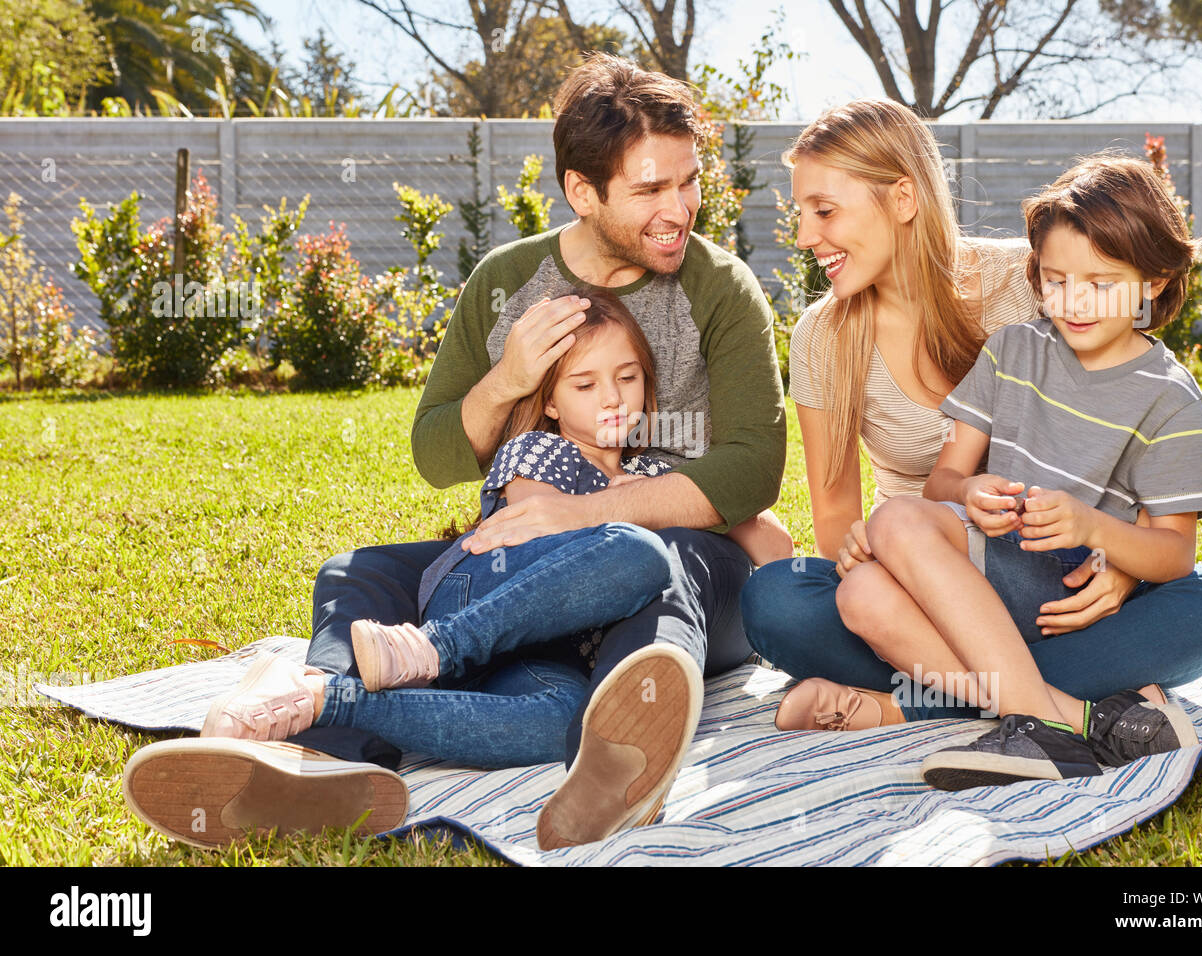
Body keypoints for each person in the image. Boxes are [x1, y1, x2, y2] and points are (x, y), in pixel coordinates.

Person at [122, 54, 786, 850]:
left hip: (673, 551)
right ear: (583, 191)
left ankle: (625, 751)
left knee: (654, 560)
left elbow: (752, 468)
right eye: (650, 190)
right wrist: (506, 380)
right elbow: (436, 451)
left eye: (688, 182)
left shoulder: (721, 287)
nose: (679, 209)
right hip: (530, 563)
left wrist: (581, 514)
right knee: (359, 573)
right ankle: (318, 752)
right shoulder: (509, 281)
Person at [741, 100, 1202, 737]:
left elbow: (1135, 423)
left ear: (903, 196)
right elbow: (839, 523)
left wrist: (1120, 566)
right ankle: (1061, 709)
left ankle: (930, 701)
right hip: (919, 581)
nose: (803, 236)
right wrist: (861, 549)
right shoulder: (824, 336)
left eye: (823, 210)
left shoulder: (1034, 277)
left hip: (1065, 584)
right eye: (801, 214)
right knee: (775, 600)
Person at [842, 153, 1202, 789]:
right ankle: (1071, 718)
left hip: (1073, 595)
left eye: (1101, 284)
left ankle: (1026, 715)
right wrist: (970, 489)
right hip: (979, 572)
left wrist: (1092, 525)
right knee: (856, 591)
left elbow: (1173, 557)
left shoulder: (1170, 397)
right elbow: (942, 485)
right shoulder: (1012, 350)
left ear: (1153, 282)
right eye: (1054, 279)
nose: (1072, 302)